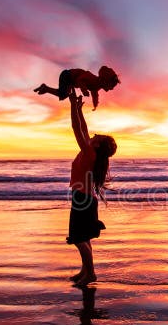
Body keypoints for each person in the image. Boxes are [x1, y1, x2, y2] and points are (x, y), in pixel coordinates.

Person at [65, 91, 117, 285]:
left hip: (82, 200)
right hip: (87, 200)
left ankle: (91, 273)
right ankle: (85, 271)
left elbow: (76, 128)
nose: (93, 135)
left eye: (97, 136)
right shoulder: (91, 151)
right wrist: (79, 109)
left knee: (78, 238)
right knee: (84, 237)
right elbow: (83, 127)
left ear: (97, 145)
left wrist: (72, 105)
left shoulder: (89, 153)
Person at [34, 66, 120, 110]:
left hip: (71, 80)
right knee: (63, 94)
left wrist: (95, 105)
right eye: (111, 86)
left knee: (63, 94)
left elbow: (95, 95)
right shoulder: (91, 78)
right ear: (104, 80)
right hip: (67, 75)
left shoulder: (97, 86)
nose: (111, 89)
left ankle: (45, 88)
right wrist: (84, 90)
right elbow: (80, 80)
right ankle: (45, 88)